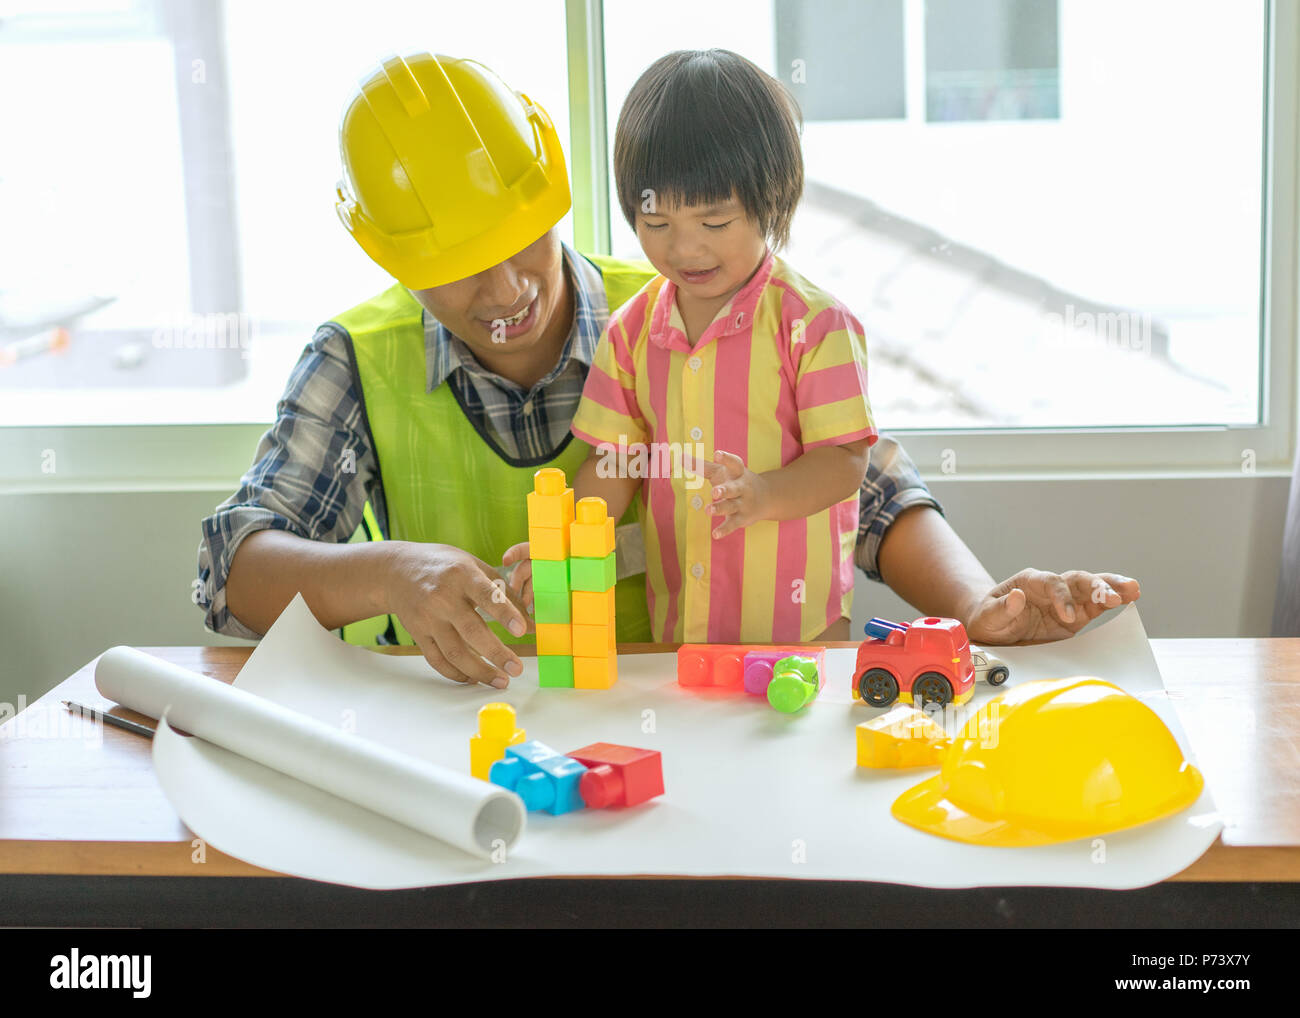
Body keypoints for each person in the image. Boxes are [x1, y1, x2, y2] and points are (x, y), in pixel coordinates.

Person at [195, 52, 1140, 689]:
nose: (505, 287)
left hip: (676, 715)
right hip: (452, 741)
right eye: (456, 267)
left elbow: (872, 490)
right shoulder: (355, 359)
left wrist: (978, 607)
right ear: (397, 265)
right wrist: (392, 575)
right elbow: (232, 574)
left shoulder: (673, 309)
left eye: (522, 240)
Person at [508, 49, 875, 643]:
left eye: (714, 223)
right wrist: (566, 540)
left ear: (771, 201)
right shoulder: (630, 332)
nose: (685, 251)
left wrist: (764, 496)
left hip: (800, 634)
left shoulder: (813, 323)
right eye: (657, 226)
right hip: (682, 629)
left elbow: (844, 462)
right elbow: (613, 461)